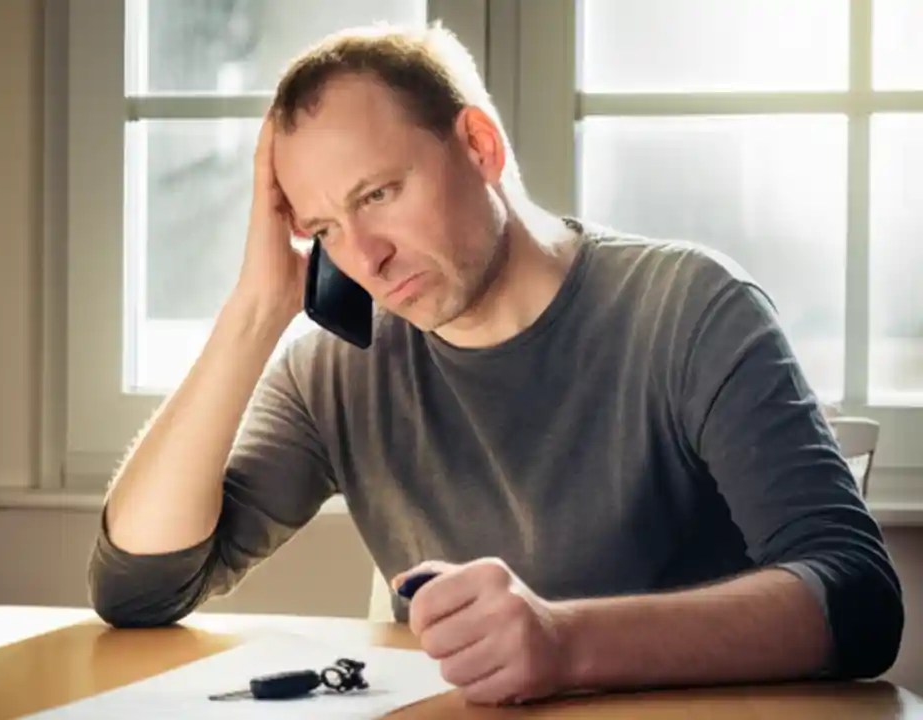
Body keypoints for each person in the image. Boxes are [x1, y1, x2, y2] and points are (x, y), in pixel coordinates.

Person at [86, 24, 903, 706]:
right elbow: (141, 591)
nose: (364, 255)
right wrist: (254, 312)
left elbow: (859, 597)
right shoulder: (337, 369)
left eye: (378, 195)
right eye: (324, 227)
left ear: (479, 144)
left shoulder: (690, 309)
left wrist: (564, 642)